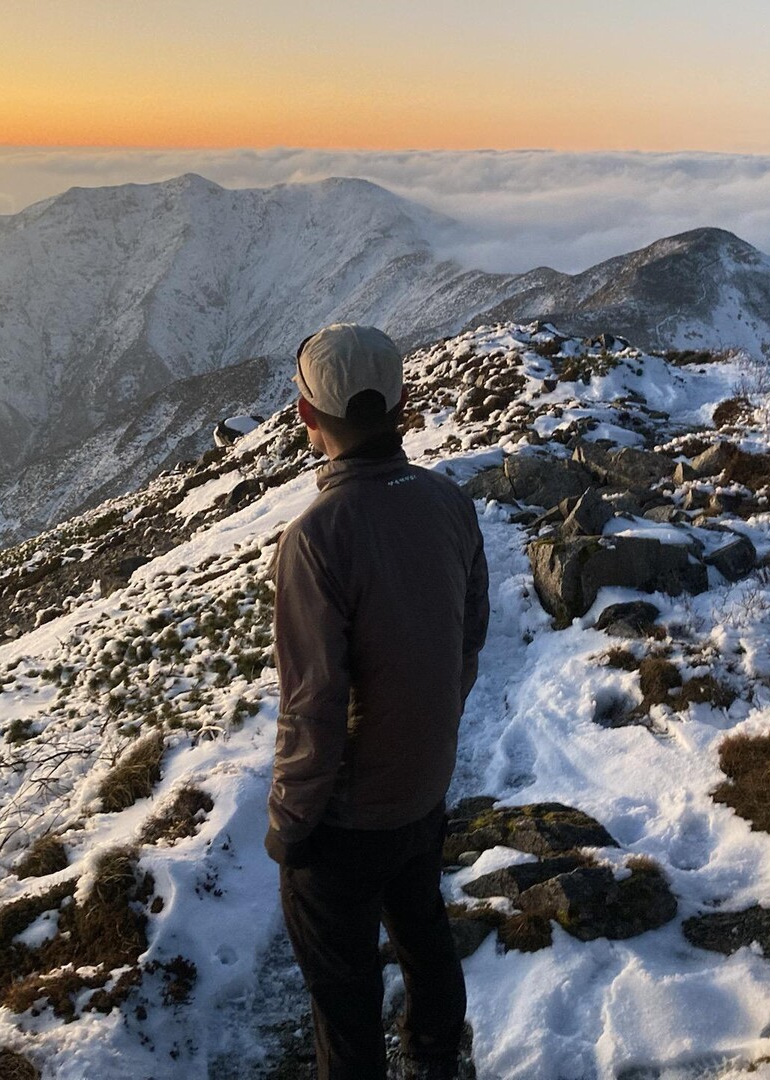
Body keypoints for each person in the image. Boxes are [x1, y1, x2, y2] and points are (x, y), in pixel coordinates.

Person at [266, 323, 490, 1080]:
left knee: (345, 1002)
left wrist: (292, 827)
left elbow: (313, 706)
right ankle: (436, 1062)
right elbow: (468, 642)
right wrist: (424, 742)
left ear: (306, 415)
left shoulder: (316, 538)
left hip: (344, 822)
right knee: (424, 935)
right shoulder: (449, 503)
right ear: (404, 403)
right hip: (422, 794)